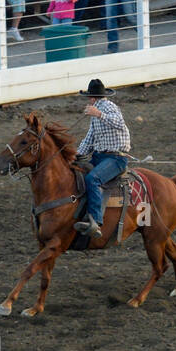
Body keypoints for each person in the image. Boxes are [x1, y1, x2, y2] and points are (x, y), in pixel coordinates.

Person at [74, 78, 131, 238]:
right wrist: (76, 154)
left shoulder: (109, 107)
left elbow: (119, 123)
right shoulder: (95, 115)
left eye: (88, 98)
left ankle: (96, 221)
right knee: (77, 174)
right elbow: (90, 138)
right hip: (100, 156)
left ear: (92, 98)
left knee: (92, 179)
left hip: (116, 158)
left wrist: (98, 114)